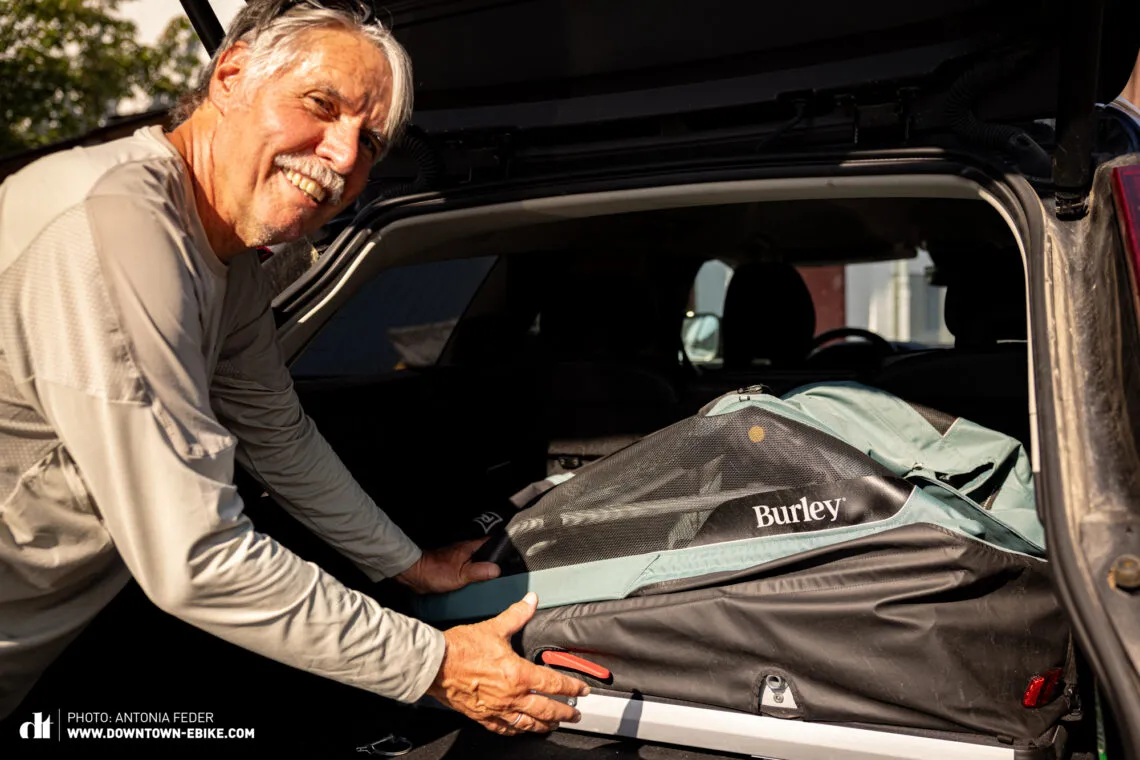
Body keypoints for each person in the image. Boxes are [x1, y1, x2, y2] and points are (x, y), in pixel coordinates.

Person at [0, 0, 586, 740]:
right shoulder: (115, 224)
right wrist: (436, 664)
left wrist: (409, 566)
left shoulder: (227, 256)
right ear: (231, 75)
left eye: (368, 139)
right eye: (321, 104)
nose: (343, 157)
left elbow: (275, 431)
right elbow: (194, 556)